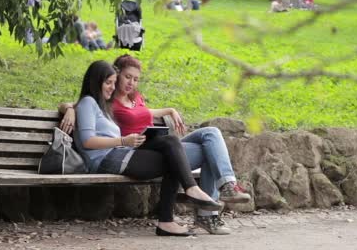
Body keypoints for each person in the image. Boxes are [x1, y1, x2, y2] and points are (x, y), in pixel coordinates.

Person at [61, 55, 252, 235]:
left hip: (120, 153)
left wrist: (167, 111)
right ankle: (191, 196)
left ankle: (167, 221)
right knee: (175, 149)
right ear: (96, 82)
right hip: (108, 158)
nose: (112, 87)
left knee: (181, 145)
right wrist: (121, 140)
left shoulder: (103, 104)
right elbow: (87, 141)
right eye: (108, 82)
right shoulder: (88, 102)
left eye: (113, 82)